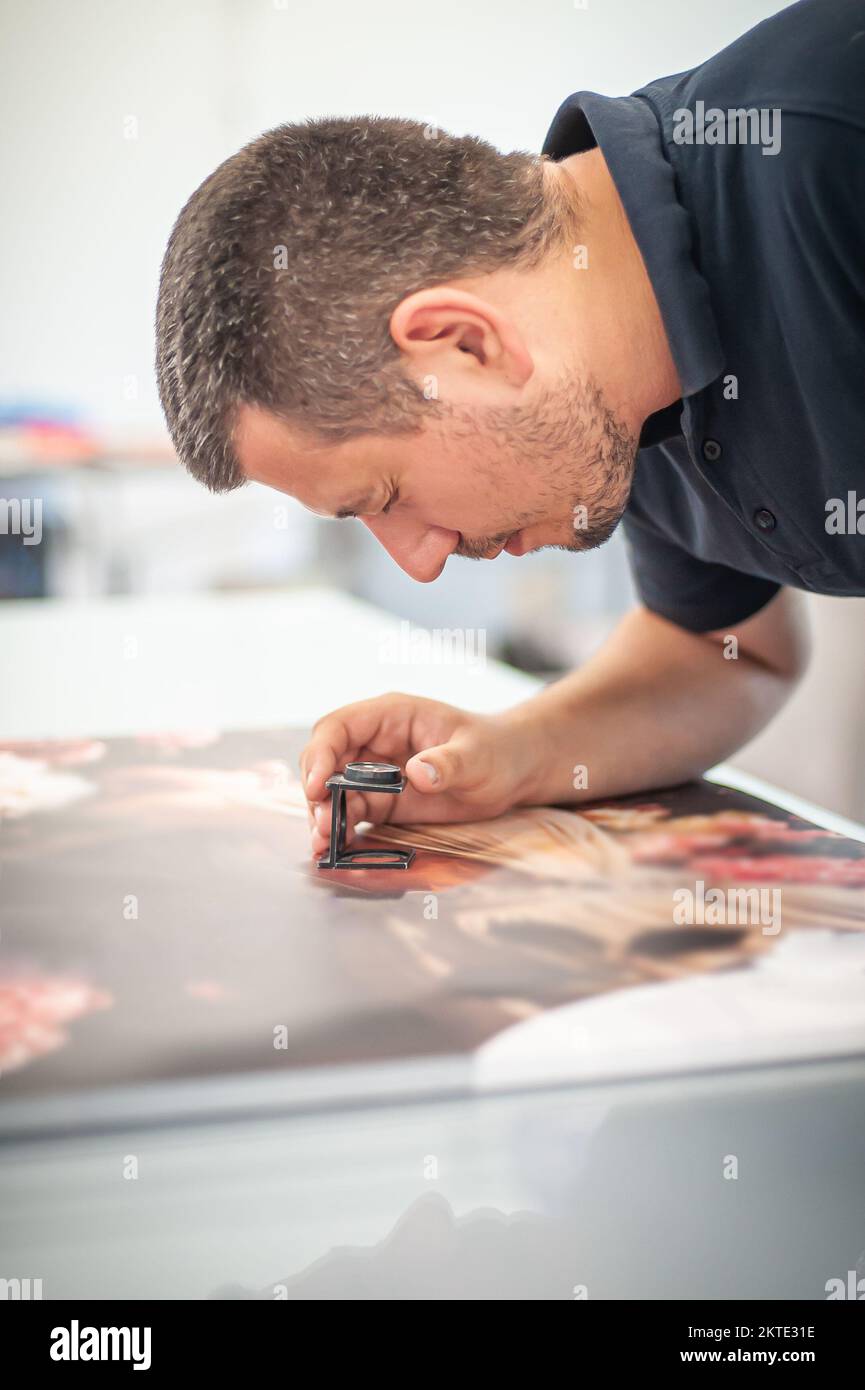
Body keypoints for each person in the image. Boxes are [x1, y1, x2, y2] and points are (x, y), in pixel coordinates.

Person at [155, 0, 864, 859]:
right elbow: (726, 651)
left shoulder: (829, 142)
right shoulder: (611, 392)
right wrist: (513, 755)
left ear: (461, 342)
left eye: (383, 497)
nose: (417, 563)